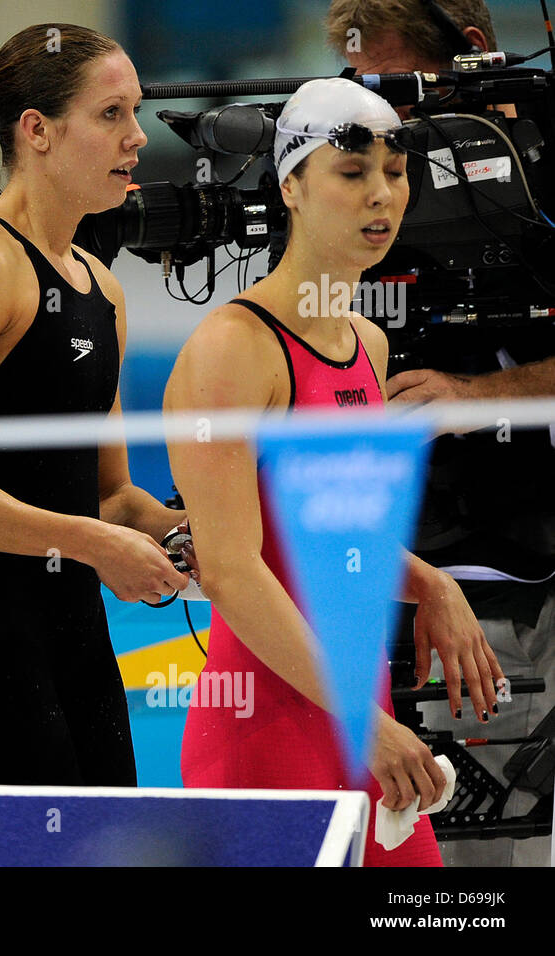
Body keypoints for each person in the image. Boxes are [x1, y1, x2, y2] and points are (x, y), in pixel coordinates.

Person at [165, 77, 505, 866]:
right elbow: (228, 570)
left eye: (394, 172)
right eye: (352, 175)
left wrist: (430, 583)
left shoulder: (366, 344)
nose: (381, 196)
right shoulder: (235, 350)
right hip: (267, 735)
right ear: (290, 185)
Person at [0, 23, 189, 814]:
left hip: (72, 631)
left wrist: (188, 534)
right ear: (38, 131)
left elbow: (111, 495)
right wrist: (92, 542)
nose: (137, 137)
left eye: (138, 112)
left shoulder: (102, 288)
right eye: (112, 114)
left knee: (105, 847)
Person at [328, 0, 555, 867]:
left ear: (468, 57)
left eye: (393, 86)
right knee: (428, 847)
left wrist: (477, 391)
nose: (378, 118)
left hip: (515, 557)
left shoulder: (540, 182)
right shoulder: (350, 190)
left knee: (500, 848)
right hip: (403, 568)